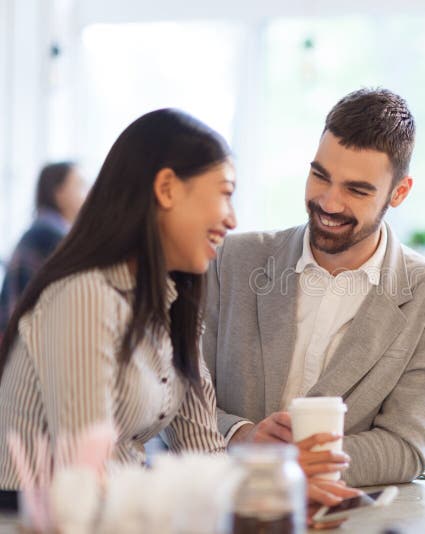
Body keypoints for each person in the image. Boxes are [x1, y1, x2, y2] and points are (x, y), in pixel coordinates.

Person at [0, 109, 359, 520]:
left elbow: (205, 453)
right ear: (167, 188)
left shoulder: (173, 303)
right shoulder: (84, 295)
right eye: (224, 193)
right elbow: (88, 476)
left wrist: (276, 491)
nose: (232, 219)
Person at [204, 88, 425, 487]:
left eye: (356, 190)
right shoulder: (232, 260)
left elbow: (405, 446)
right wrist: (240, 436)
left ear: (399, 192)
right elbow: (176, 399)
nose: (328, 202)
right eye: (320, 176)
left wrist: (305, 462)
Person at [0, 162, 86, 334]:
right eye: (80, 186)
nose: (88, 193)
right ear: (59, 194)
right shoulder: (52, 236)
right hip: (23, 343)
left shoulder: (42, 229)